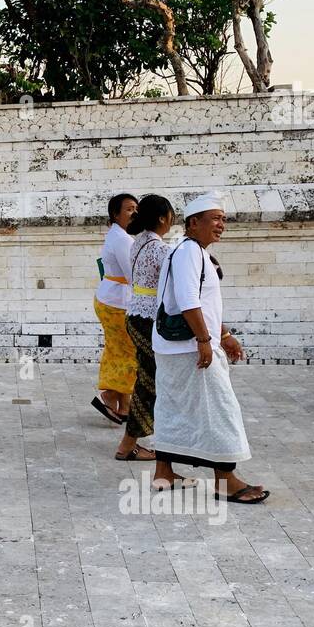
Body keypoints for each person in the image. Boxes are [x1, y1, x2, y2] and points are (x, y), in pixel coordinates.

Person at [151, 194, 269, 504]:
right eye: (215, 218)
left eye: (223, 219)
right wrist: (205, 341)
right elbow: (189, 301)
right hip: (191, 348)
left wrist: (224, 333)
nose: (221, 225)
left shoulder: (185, 251)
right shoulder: (191, 252)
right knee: (220, 409)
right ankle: (225, 480)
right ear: (193, 223)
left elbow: (198, 303)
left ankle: (164, 471)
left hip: (172, 345)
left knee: (173, 408)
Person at [118, 194, 196, 491]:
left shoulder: (141, 241)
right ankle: (129, 444)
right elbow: (180, 274)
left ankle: (131, 442)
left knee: (147, 379)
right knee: (150, 382)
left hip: (136, 314)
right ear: (164, 218)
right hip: (149, 318)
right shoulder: (159, 249)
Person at [92, 193, 139, 424]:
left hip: (111, 299)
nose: (134, 213)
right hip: (118, 303)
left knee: (118, 351)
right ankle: (112, 396)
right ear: (115, 214)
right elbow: (133, 276)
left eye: (136, 209)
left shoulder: (118, 235)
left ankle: (123, 402)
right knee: (130, 352)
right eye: (129, 209)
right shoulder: (123, 239)